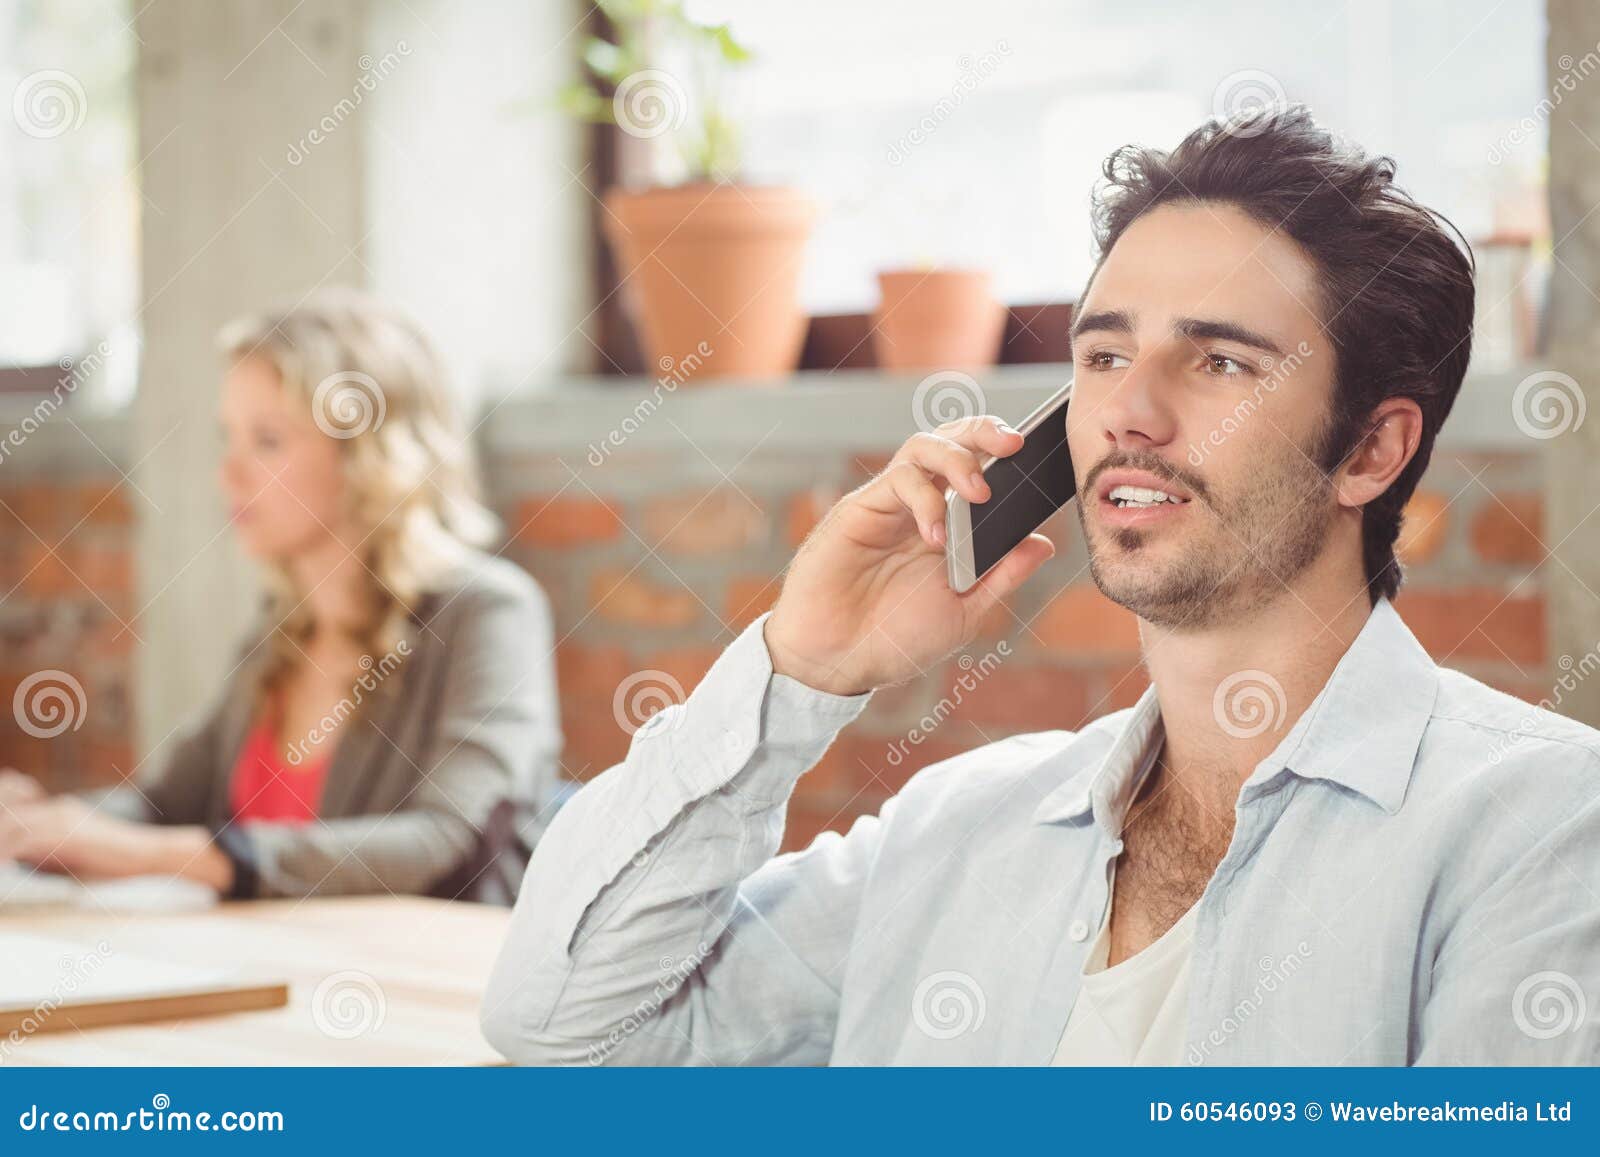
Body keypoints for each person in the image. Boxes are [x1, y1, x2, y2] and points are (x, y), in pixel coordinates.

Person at [481, 106, 1600, 1066]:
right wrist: (800, 667)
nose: (1129, 413)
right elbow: (569, 1028)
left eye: (1219, 362)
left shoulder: (1542, 826)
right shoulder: (962, 828)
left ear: (1369, 449)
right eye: (1105, 355)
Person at [0, 289, 562, 903]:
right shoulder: (285, 628)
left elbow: (449, 841)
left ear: (366, 455)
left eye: (267, 441)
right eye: (229, 439)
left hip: (418, 986)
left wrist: (185, 857)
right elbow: (163, 806)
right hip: (286, 974)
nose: (229, 475)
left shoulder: (489, 612)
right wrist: (39, 827)